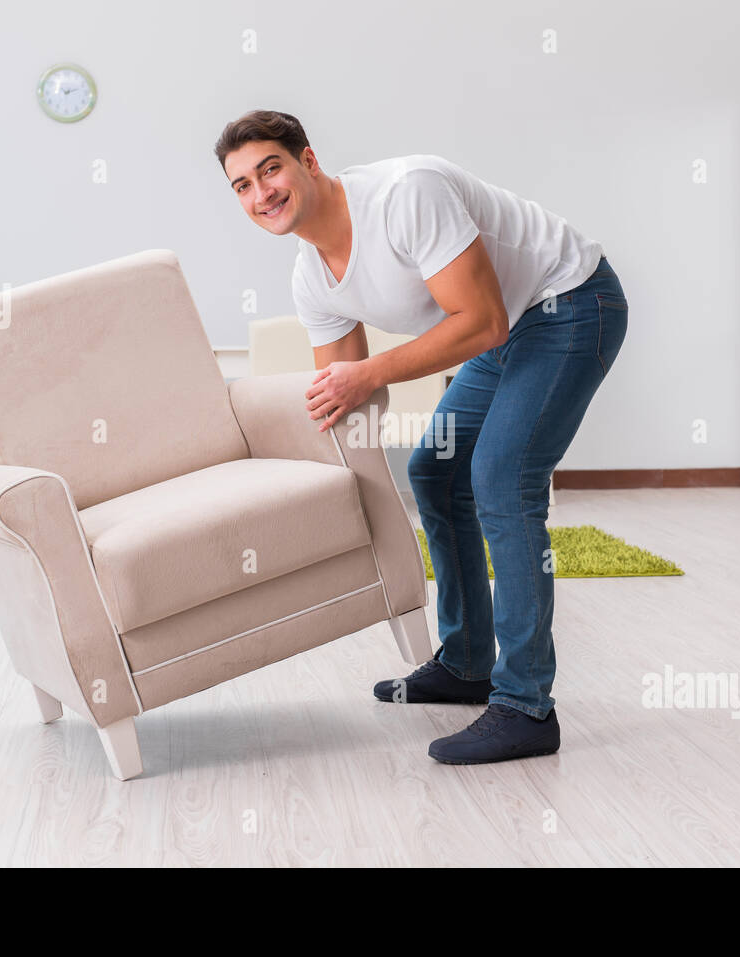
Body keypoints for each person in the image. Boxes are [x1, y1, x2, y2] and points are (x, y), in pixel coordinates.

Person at [216, 109, 627, 764]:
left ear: (308, 162)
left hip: (566, 302)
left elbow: (483, 320)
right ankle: (467, 663)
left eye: (270, 169)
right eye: (241, 185)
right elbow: (351, 402)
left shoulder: (407, 196)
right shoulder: (311, 278)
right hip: (508, 329)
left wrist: (366, 374)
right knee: (434, 473)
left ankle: (526, 706)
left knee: (501, 478)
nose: (261, 193)